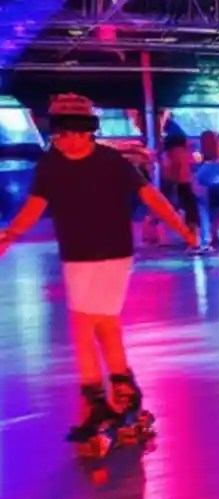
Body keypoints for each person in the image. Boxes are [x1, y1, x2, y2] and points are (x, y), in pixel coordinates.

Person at [0, 94, 197, 449]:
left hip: (113, 254)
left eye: (78, 133)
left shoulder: (110, 161)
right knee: (105, 327)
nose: (71, 141)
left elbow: (150, 195)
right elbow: (34, 206)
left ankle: (96, 402)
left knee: (82, 326)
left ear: (90, 132)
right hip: (76, 256)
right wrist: (10, 236)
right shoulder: (51, 165)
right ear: (54, 133)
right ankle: (125, 394)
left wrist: (181, 227)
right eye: (63, 134)